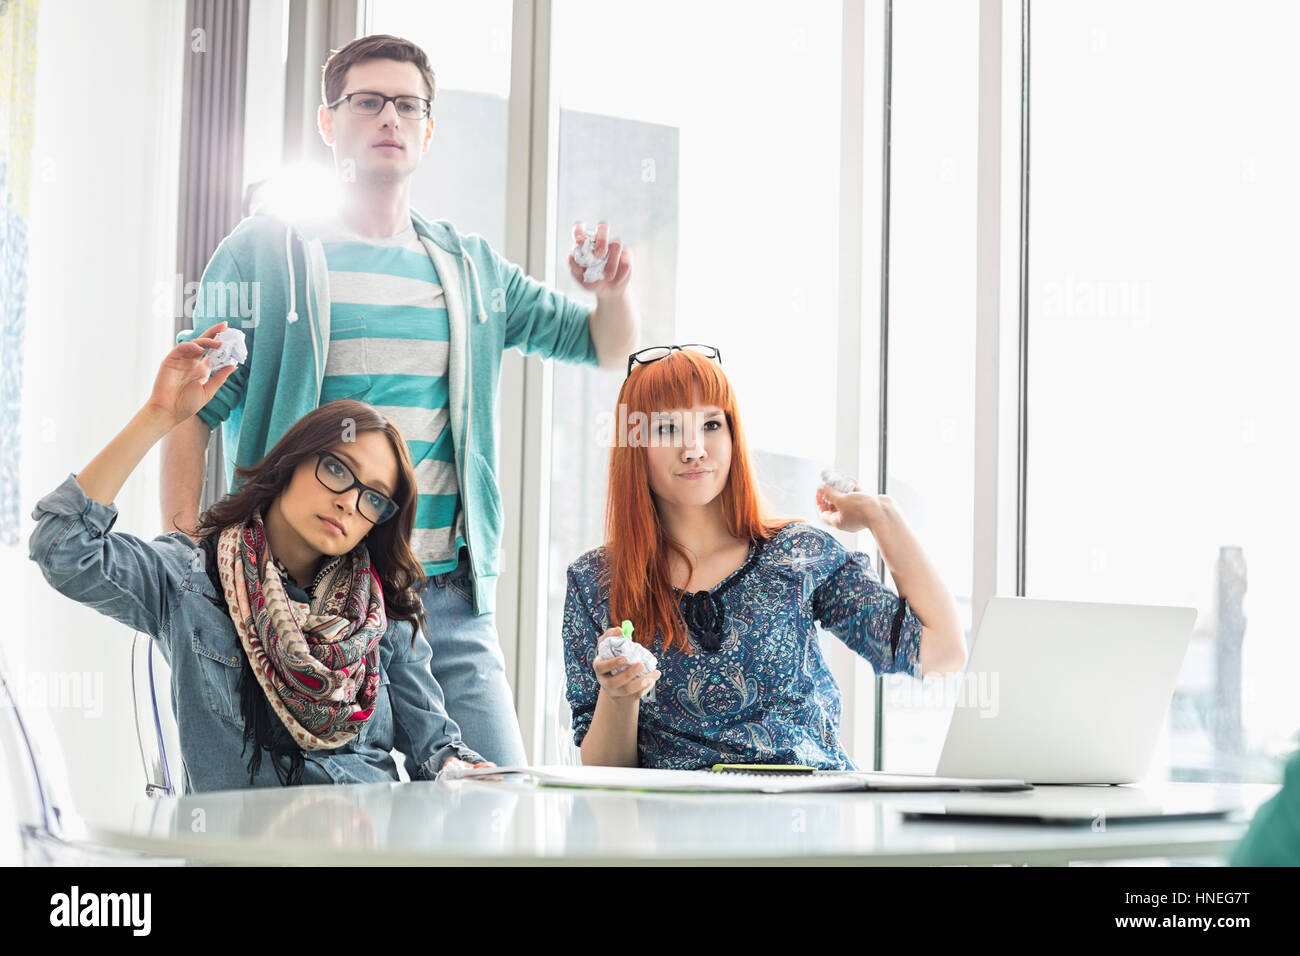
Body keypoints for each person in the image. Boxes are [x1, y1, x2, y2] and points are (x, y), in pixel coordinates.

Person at [161, 34, 639, 767]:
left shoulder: (472, 269)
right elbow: (192, 409)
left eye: (408, 104)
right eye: (368, 101)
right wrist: (191, 564)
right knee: (317, 818)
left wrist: (611, 293)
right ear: (330, 123)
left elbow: (604, 347)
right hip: (298, 594)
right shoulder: (265, 252)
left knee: (494, 805)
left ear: (428, 128)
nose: (390, 117)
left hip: (440, 595)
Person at [30, 323, 493, 791]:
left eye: (373, 498)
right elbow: (64, 547)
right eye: (337, 470)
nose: (349, 503)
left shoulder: (380, 609)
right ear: (291, 461)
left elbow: (436, 749)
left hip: (367, 842)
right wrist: (158, 415)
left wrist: (463, 768)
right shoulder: (192, 579)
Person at [562, 346, 968, 769]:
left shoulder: (798, 554)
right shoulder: (595, 581)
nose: (694, 448)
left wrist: (883, 516)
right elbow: (606, 774)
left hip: (811, 818)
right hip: (678, 825)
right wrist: (618, 697)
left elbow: (942, 654)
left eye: (712, 424)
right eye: (666, 428)